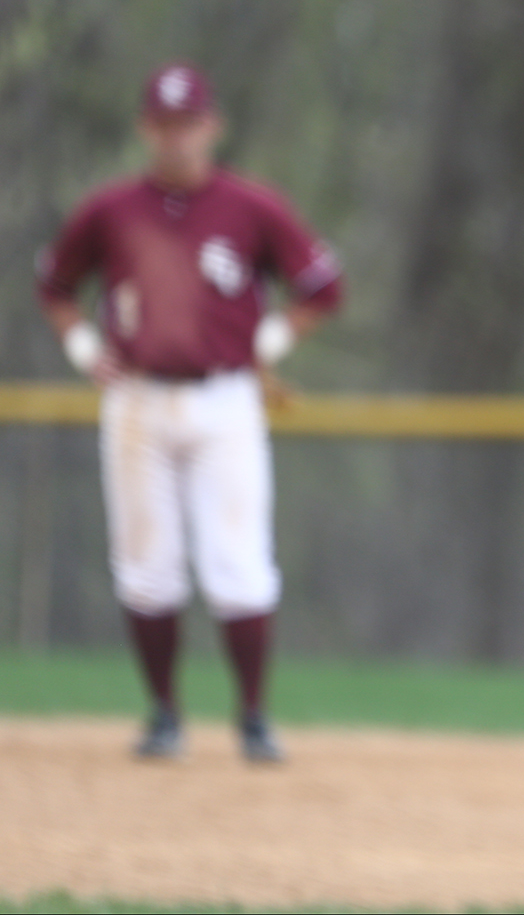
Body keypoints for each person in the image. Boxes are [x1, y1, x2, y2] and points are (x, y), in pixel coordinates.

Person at [36, 63, 342, 763]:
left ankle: (254, 717)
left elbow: (323, 287)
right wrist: (82, 344)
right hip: (138, 398)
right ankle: (165, 713)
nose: (177, 138)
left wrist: (276, 335)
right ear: (147, 128)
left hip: (225, 397)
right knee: (147, 567)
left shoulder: (251, 206)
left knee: (239, 565)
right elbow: (54, 284)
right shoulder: (110, 209)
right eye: (164, 124)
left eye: (190, 124)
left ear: (213, 127)